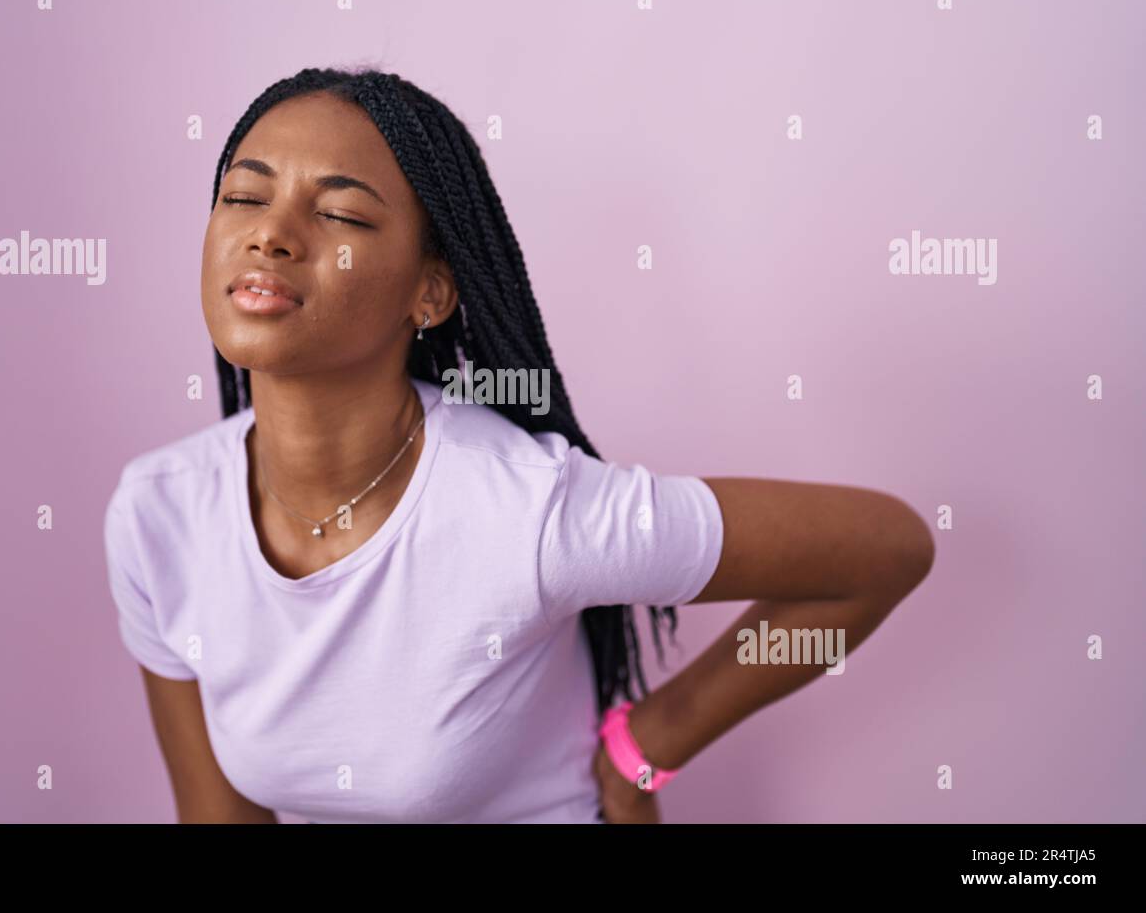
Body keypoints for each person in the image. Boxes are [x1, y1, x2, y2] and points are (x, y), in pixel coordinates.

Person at [102, 67, 935, 824]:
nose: (270, 234)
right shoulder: (160, 513)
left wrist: (648, 744)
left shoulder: (525, 508)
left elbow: (885, 551)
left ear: (428, 293)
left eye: (341, 213)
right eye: (244, 198)